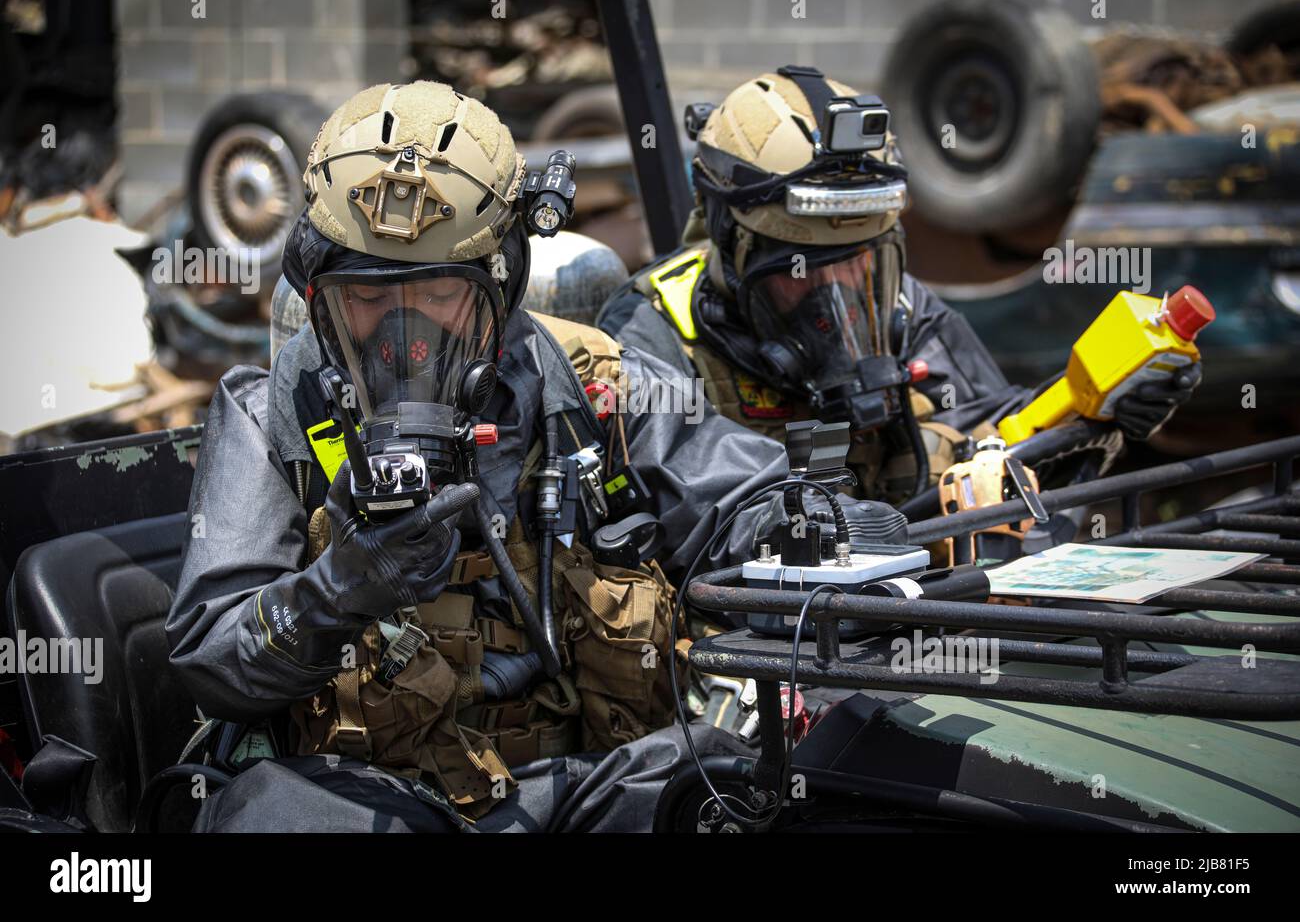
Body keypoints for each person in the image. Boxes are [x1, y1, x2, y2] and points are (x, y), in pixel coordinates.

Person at [164, 80, 897, 833]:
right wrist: (336, 592)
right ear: (320, 300)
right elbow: (210, 661)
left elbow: (742, 497)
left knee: (734, 783)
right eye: (368, 299)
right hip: (370, 799)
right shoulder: (273, 416)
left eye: (440, 294)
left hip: (585, 788)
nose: (405, 338)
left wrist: (819, 531)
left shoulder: (592, 386)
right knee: (270, 815)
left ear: (501, 284)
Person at [598, 66, 1201, 506]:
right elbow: (682, 512)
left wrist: (1093, 413)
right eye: (801, 270)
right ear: (730, 244)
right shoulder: (650, 334)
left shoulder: (902, 306)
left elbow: (995, 428)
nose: (836, 294)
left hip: (907, 608)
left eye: (859, 266)